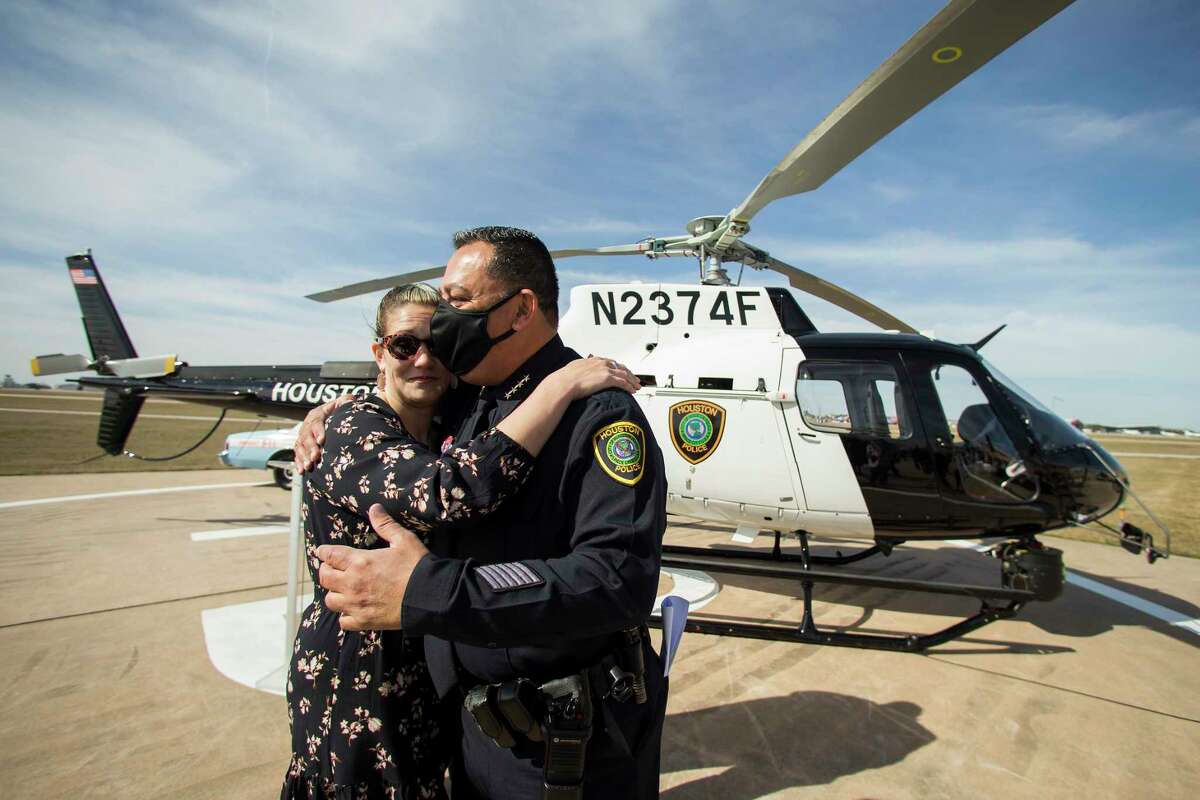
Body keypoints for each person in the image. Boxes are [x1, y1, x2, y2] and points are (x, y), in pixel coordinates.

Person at [301, 226, 668, 799]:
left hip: (560, 744)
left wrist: (432, 589)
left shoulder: (596, 410)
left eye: (458, 302)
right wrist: (331, 413)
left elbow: (615, 578)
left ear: (519, 311)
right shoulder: (468, 402)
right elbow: (417, 447)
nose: (442, 324)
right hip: (470, 730)